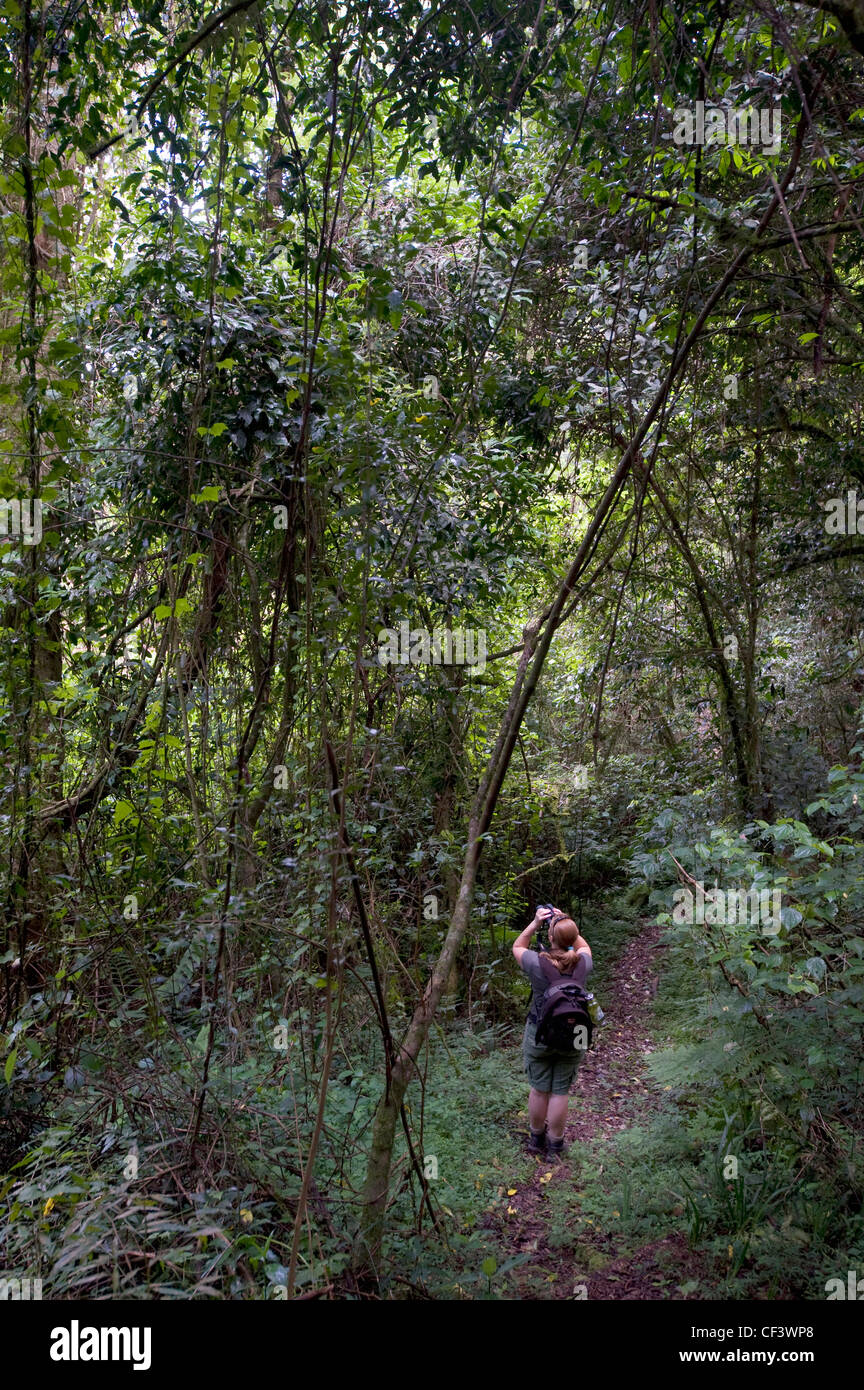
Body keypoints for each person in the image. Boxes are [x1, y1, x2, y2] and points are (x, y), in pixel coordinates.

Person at [512, 905, 593, 1158]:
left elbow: (517, 946)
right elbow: (583, 946)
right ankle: (555, 1146)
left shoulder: (536, 963)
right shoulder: (583, 963)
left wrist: (538, 922)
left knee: (539, 1089)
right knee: (560, 1091)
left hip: (540, 1033)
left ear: (549, 938)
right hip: (574, 1035)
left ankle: (536, 1140)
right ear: (571, 938)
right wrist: (563, 920)